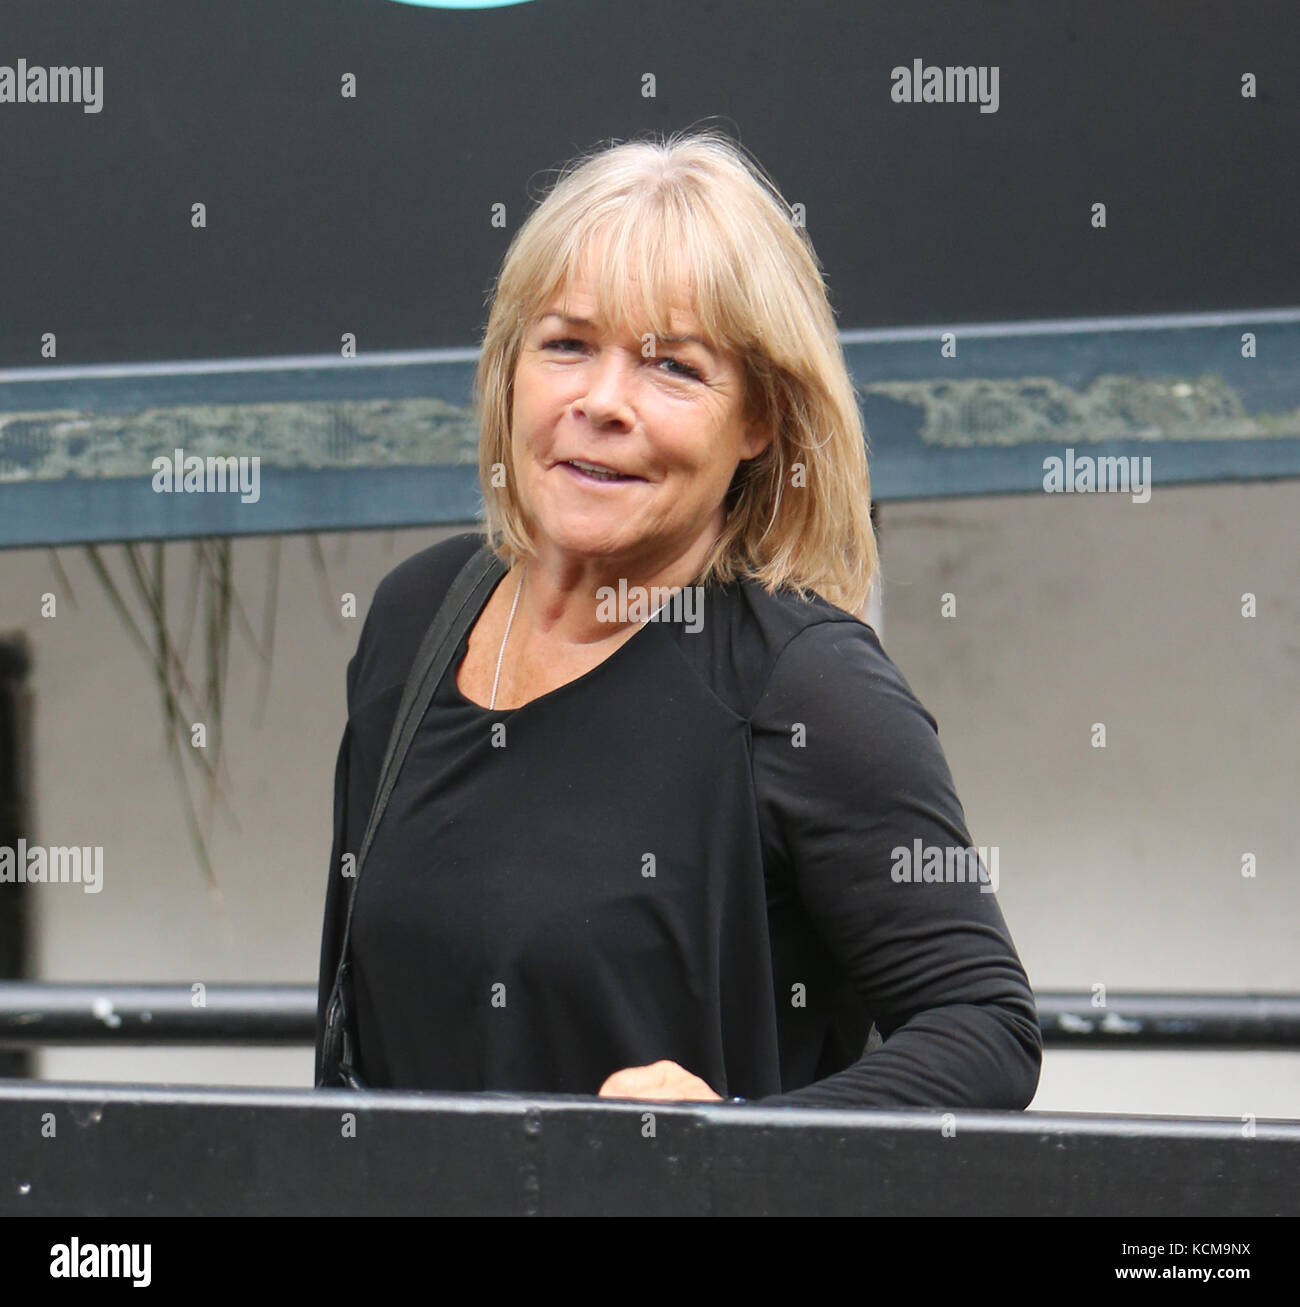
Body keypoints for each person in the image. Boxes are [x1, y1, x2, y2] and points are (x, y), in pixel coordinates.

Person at [314, 128, 1041, 1108]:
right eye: (567, 344)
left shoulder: (807, 687)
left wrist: (732, 1146)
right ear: (511, 368)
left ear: (758, 420)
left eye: (673, 367)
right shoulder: (418, 617)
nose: (602, 401)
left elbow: (985, 1027)